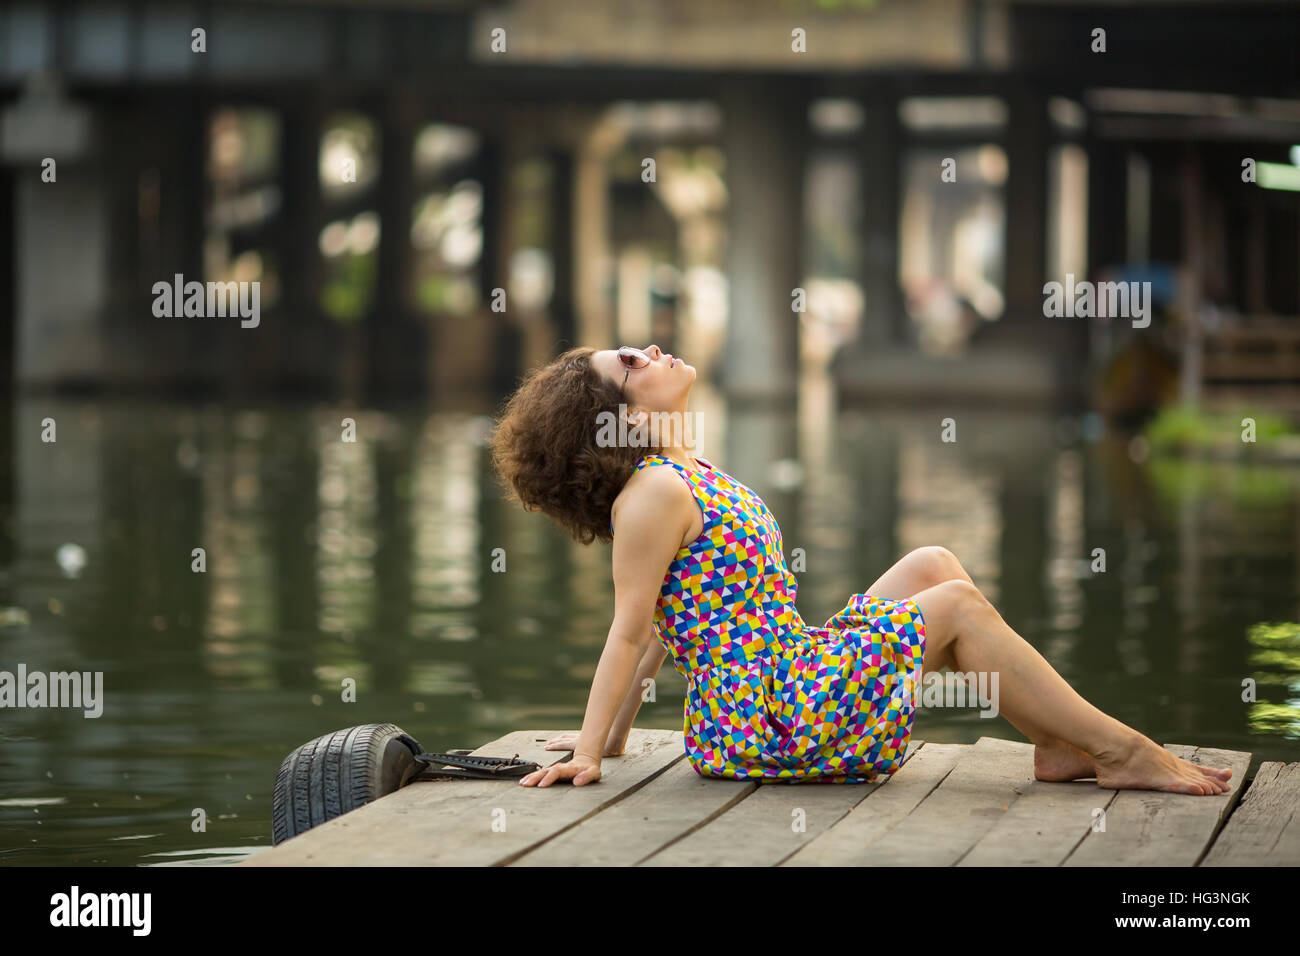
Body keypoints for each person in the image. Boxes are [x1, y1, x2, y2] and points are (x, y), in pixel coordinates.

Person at [489, 344, 1233, 794]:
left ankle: (1057, 744)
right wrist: (590, 752)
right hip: (772, 721)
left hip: (786, 684)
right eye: (630, 364)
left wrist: (617, 739)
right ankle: (1118, 750)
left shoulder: (683, 470)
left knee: (932, 564)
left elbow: (663, 625)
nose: (651, 351)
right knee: (960, 610)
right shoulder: (650, 493)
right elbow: (629, 630)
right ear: (614, 415)